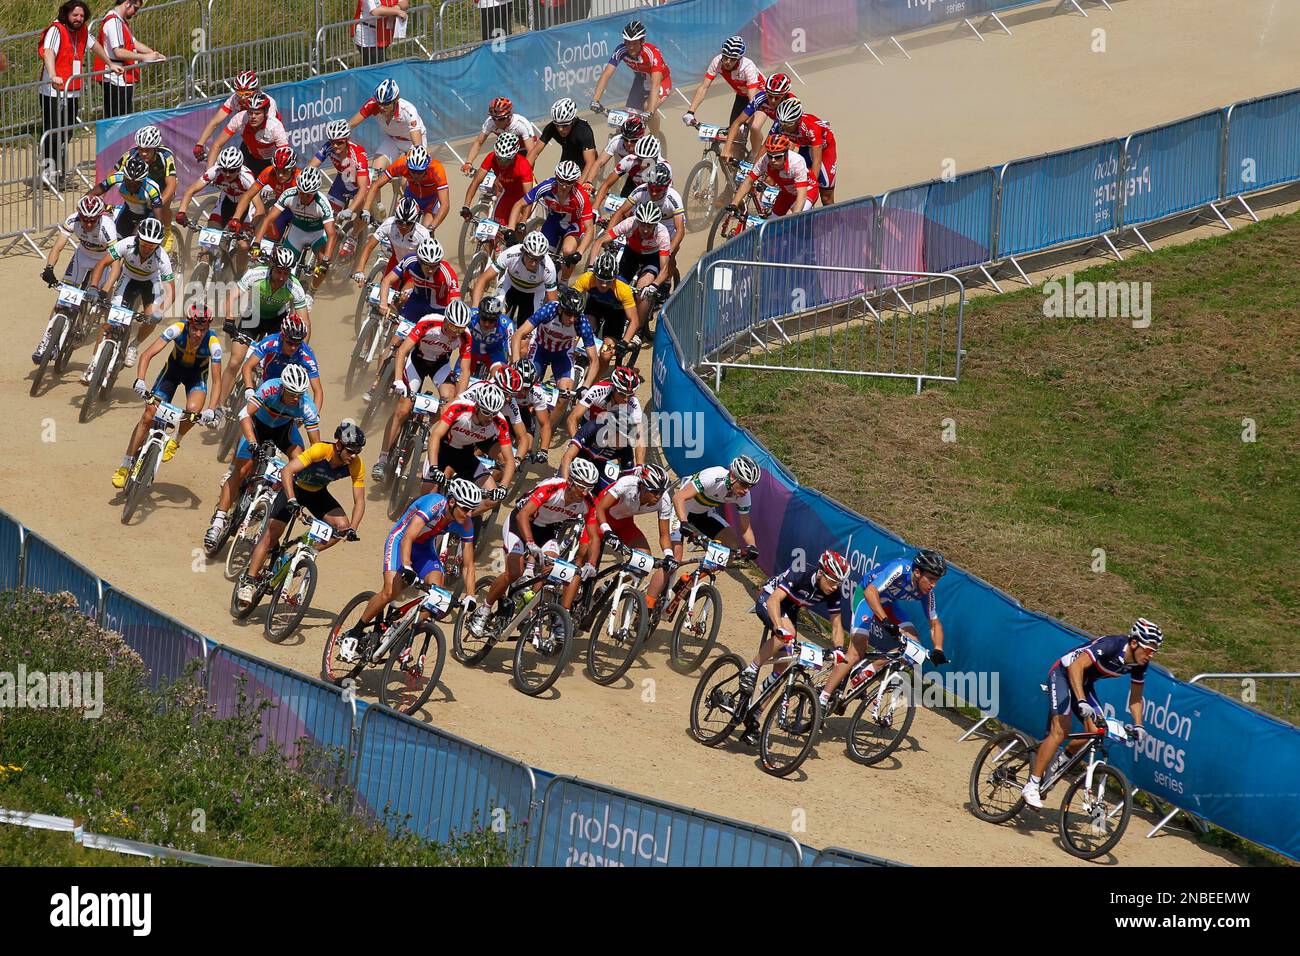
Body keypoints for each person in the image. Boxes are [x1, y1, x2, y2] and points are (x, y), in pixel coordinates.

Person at [1021, 620, 1163, 809]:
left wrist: (1139, 725)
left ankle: (1057, 762)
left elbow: (1136, 698)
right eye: (1148, 650)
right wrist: (1080, 700)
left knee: (1096, 731)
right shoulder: (1112, 645)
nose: (1150, 655)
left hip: (1085, 683)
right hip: (1064, 674)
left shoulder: (1139, 664)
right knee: (1061, 731)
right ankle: (1032, 784)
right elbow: (1076, 667)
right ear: (1135, 643)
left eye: (1154, 652)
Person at [338, 477, 482, 659]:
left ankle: (400, 631)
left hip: (424, 549)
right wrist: (406, 566)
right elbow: (408, 537)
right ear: (452, 502)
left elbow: (468, 565)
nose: (469, 514)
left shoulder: (466, 524)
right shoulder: (434, 504)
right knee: (391, 591)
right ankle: (355, 633)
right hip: (401, 541)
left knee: (438, 599)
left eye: (473, 510)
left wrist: (470, 595)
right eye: (466, 508)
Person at [236, 421, 368, 606]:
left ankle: (306, 552)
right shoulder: (321, 450)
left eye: (358, 452)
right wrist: (291, 500)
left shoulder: (356, 465)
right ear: (339, 445)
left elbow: (360, 501)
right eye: (351, 450)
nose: (354, 456)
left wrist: (353, 528)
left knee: (342, 528)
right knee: (272, 535)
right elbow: (287, 470)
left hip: (317, 494)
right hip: (294, 489)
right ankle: (248, 582)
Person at [466, 457, 600, 635]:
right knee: (514, 572)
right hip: (520, 523)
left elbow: (593, 537)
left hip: (546, 531)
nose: (584, 492)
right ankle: (483, 610)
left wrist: (591, 563)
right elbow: (523, 515)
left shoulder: (588, 502)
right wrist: (530, 543)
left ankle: (531, 614)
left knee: (551, 570)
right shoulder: (553, 487)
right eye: (581, 486)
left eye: (589, 488)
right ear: (570, 481)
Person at [738, 550, 851, 742]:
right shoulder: (802, 573)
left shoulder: (833, 592)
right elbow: (774, 600)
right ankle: (750, 670)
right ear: (822, 572)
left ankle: (753, 715)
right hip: (769, 598)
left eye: (838, 584)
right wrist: (778, 628)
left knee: (781, 671)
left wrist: (839, 648)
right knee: (786, 635)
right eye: (832, 582)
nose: (834, 587)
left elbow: (837, 625)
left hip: (790, 609)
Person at [206, 363, 321, 549]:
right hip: (257, 427)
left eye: (299, 395)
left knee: (300, 464)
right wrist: (252, 443)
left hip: (284, 432)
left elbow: (316, 446)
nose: (295, 398)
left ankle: (273, 494)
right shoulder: (270, 387)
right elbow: (244, 415)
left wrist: (315, 466)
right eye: (291, 393)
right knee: (241, 470)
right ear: (283, 387)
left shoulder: (306, 405)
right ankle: (218, 522)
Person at [821, 549, 950, 708]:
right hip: (867, 598)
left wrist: (938, 648)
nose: (933, 585)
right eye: (931, 579)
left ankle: (869, 669)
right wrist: (885, 621)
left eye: (936, 580)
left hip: (888, 603)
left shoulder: (927, 593)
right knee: (855, 653)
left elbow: (935, 623)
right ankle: (823, 698)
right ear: (917, 572)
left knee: (914, 647)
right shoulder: (900, 569)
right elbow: (871, 591)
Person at [112, 302, 222, 488]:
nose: (197, 334)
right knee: (148, 416)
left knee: (193, 411)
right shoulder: (177, 329)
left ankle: (176, 439)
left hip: (196, 378)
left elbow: (217, 382)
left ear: (208, 328)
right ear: (188, 324)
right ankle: (124, 465)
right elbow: (147, 354)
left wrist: (211, 410)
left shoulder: (213, 343)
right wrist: (140, 380)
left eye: (202, 330)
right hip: (171, 373)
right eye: (194, 328)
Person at [372, 298, 473, 480]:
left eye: (460, 329)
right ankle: (382, 458)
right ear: (446, 320)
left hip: (439, 365)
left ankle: (427, 432)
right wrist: (398, 381)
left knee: (450, 404)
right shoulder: (429, 322)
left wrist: (460, 397)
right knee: (403, 409)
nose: (455, 333)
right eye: (453, 327)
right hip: (416, 361)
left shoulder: (465, 336)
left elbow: (465, 370)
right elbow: (402, 351)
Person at [38, 2, 121, 187]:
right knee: (52, 133)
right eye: (75, 15)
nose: (79, 19)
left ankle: (58, 174)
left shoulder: (82, 31)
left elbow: (95, 46)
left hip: (72, 91)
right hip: (53, 91)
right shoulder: (56, 30)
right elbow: (49, 52)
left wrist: (109, 63)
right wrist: (53, 75)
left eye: (82, 16)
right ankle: (48, 174)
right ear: (67, 14)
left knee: (66, 133)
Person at [511, 285, 598, 455]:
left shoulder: (582, 323)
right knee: (524, 383)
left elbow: (594, 360)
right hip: (540, 350)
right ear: (560, 309)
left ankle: (546, 430)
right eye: (568, 314)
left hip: (562, 355)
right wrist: (516, 364)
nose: (572, 319)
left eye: (575, 315)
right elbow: (518, 334)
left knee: (565, 395)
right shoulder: (549, 310)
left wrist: (586, 386)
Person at [83, 216, 174, 373]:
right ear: (138, 238)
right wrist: (93, 287)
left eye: (152, 246)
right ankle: (93, 364)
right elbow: (102, 263)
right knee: (111, 322)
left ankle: (134, 345)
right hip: (128, 278)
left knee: (151, 318)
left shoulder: (162, 257)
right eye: (145, 243)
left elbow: (171, 290)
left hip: (149, 283)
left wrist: (160, 312)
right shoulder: (127, 243)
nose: (147, 248)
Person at [220, 246, 311, 400]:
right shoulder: (256, 274)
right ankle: (218, 406)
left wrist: (300, 348)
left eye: (286, 273)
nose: (282, 277)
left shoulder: (295, 287)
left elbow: (306, 323)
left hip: (277, 322)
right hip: (252, 317)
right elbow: (232, 296)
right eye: (279, 272)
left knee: (272, 369)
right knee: (235, 362)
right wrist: (229, 319)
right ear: (271, 267)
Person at [35, 196, 118, 365]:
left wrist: (105, 290)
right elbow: (58, 246)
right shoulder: (73, 219)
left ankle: (89, 320)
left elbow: (115, 262)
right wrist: (49, 268)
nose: (87, 224)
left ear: (99, 217)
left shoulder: (107, 226)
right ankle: (46, 341)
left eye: (92, 221)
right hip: (83, 255)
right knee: (63, 298)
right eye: (85, 220)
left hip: (103, 259)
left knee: (99, 299)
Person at [589, 200, 667, 341]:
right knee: (616, 286)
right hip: (631, 254)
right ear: (637, 221)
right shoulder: (629, 223)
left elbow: (664, 268)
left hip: (652, 258)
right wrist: (590, 266)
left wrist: (654, 285)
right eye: (642, 224)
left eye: (649, 226)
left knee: (642, 290)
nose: (644, 229)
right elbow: (600, 241)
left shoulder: (662, 234)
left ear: (655, 225)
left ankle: (637, 331)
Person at [252, 166, 338, 291]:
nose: (303, 197)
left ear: (315, 193)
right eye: (301, 193)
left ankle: (312, 292)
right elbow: (268, 219)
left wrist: (325, 260)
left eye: (308, 195)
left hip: (317, 234)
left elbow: (331, 234)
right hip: (297, 232)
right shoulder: (289, 195)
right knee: (280, 263)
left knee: (323, 265)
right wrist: (256, 243)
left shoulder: (322, 204)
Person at [560, 365, 645, 490]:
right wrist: (577, 443)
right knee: (575, 459)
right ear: (614, 388)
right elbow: (572, 418)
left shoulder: (633, 403)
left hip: (614, 433)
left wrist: (639, 465)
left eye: (630, 394)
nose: (626, 399)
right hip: (589, 424)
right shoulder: (598, 390)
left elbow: (639, 438)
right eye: (622, 394)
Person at [682, 35, 765, 160]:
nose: (727, 61)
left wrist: (746, 121)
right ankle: (734, 173)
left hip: (760, 97)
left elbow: (753, 100)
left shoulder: (748, 67)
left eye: (732, 59)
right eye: (725, 56)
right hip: (742, 96)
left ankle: (755, 155)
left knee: (753, 127)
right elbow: (704, 87)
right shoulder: (717, 62)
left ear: (739, 58)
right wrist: (690, 112)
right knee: (734, 139)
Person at [511, 162, 595, 282]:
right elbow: (519, 204)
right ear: (556, 176)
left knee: (568, 252)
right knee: (540, 253)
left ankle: (564, 281)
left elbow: (590, 228)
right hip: (553, 222)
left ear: (575, 181)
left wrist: (579, 253)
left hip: (572, 225)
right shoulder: (547, 186)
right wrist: (512, 227)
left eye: (569, 182)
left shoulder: (580, 195)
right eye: (561, 180)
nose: (564, 186)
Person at [667, 455, 762, 560]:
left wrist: (752, 546)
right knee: (675, 559)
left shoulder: (744, 495)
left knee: (732, 548)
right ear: (732, 476)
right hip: (682, 511)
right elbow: (678, 497)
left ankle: (700, 572)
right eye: (744, 484)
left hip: (703, 514)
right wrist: (684, 522)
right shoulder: (713, 477)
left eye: (750, 486)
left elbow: (746, 527)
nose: (747, 490)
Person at [590, 19, 672, 138]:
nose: (630, 47)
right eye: (627, 42)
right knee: (628, 119)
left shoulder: (652, 53)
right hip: (641, 82)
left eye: (634, 43)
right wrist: (595, 100)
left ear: (642, 41)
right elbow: (606, 74)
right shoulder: (621, 50)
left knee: (647, 107)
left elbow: (655, 83)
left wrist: (649, 111)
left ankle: (655, 138)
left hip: (661, 82)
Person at [568, 252, 640, 381]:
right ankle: (567, 370)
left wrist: (625, 342)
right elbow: (571, 300)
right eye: (600, 280)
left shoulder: (623, 289)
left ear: (615, 278)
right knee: (577, 337)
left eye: (608, 281)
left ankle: (592, 383)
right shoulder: (586, 278)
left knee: (606, 355)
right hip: (595, 306)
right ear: (594, 274)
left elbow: (634, 321)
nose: (604, 285)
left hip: (616, 314)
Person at [347, 79, 427, 186]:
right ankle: (377, 203)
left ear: (396, 100)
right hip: (393, 140)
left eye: (386, 103)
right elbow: (350, 125)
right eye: (379, 103)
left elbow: (417, 144)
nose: (381, 107)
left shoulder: (408, 110)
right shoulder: (373, 105)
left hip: (411, 142)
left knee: (406, 182)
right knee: (374, 175)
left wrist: (413, 160)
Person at [94, 0, 166, 118]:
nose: (135, 12)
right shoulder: (114, 22)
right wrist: (145, 57)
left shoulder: (120, 21)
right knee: (118, 116)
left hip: (122, 75)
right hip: (116, 76)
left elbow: (133, 43)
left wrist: (153, 54)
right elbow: (118, 52)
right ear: (127, 3)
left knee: (123, 114)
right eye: (135, 8)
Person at [241, 315, 324, 417]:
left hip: (289, 387)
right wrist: (249, 389)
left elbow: (318, 390)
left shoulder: (306, 355)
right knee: (252, 414)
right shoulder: (271, 342)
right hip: (267, 380)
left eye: (297, 344)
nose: (293, 347)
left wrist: (315, 415)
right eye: (289, 343)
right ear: (282, 336)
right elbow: (247, 366)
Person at [469, 229, 556, 325]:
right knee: (492, 318)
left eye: (539, 259)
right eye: (531, 258)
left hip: (534, 292)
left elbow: (552, 303)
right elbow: (483, 279)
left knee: (527, 332)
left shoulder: (549, 267)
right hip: (509, 285)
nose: (534, 263)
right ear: (523, 252)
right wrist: (474, 309)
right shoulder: (511, 254)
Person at [192, 71, 280, 163]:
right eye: (239, 93)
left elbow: (269, 129)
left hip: (268, 143)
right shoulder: (235, 99)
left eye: (247, 94)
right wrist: (200, 143)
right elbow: (215, 121)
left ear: (256, 91)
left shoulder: (269, 103)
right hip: (250, 140)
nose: (242, 98)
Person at [727, 133, 817, 219]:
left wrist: (793, 218)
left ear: (786, 154)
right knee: (772, 223)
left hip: (807, 191)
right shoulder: (765, 160)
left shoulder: (796, 162)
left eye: (777, 157)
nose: (773, 160)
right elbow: (749, 181)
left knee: (789, 219)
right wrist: (734, 203)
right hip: (787, 192)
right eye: (770, 156)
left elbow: (801, 196)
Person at [461, 131, 536, 232]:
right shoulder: (491, 157)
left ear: (514, 156)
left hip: (523, 197)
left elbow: (529, 197)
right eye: (499, 158)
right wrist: (466, 206)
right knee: (492, 232)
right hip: (508, 193)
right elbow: (475, 182)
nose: (501, 163)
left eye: (506, 160)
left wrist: (523, 222)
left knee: (514, 230)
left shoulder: (523, 166)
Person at [365, 145, 448, 232]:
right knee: (395, 227)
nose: (416, 175)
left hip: (430, 200)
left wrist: (432, 227)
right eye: (412, 171)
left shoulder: (437, 169)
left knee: (426, 229)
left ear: (427, 166)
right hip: (412, 195)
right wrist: (366, 209)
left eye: (419, 172)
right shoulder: (401, 164)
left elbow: (445, 204)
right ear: (408, 165)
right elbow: (376, 185)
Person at [772, 98, 838, 205]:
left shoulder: (811, 128)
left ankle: (834, 221)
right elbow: (772, 148)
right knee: (797, 188)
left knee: (826, 196)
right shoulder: (781, 125)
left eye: (788, 125)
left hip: (824, 148)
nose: (784, 128)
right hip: (805, 146)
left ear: (798, 120)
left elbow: (817, 161)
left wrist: (812, 186)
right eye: (782, 124)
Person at [208, 92, 289, 177]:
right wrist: (209, 174)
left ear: (265, 113)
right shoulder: (240, 118)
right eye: (250, 113)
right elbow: (217, 145)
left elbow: (284, 155)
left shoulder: (275, 126)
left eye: (257, 113)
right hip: (250, 156)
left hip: (271, 160)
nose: (253, 117)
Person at [722, 72, 795, 164]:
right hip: (775, 117)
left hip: (792, 130)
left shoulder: (790, 105)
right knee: (753, 127)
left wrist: (758, 164)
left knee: (782, 159)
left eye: (777, 97)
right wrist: (727, 148)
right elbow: (737, 122)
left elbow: (777, 137)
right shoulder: (760, 98)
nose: (772, 100)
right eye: (770, 95)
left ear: (784, 95)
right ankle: (754, 153)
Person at [85, 155, 162, 240]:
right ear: (124, 177)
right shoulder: (116, 178)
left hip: (147, 214)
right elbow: (91, 194)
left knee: (134, 240)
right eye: (128, 182)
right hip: (128, 210)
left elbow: (158, 218)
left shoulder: (151, 189)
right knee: (115, 239)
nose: (132, 187)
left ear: (143, 180)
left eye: (136, 183)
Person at [528, 98, 600, 186]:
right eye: (557, 125)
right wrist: (523, 174)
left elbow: (590, 163)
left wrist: (578, 187)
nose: (560, 129)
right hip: (568, 155)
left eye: (565, 125)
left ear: (572, 121)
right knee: (560, 188)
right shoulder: (551, 127)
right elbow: (535, 152)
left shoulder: (583, 130)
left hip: (586, 161)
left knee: (582, 193)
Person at [461, 97, 541, 176]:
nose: (496, 122)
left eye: (501, 119)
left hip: (523, 150)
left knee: (520, 176)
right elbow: (478, 143)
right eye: (494, 118)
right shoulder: (490, 122)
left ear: (509, 115)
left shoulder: (521, 124)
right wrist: (468, 163)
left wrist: (525, 172)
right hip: (505, 151)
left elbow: (531, 152)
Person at [353, 0, 410, 66]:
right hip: (367, 32)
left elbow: (405, 3)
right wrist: (397, 11)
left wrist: (396, 8)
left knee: (380, 60)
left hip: (383, 31)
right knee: (374, 63)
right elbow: (375, 11)